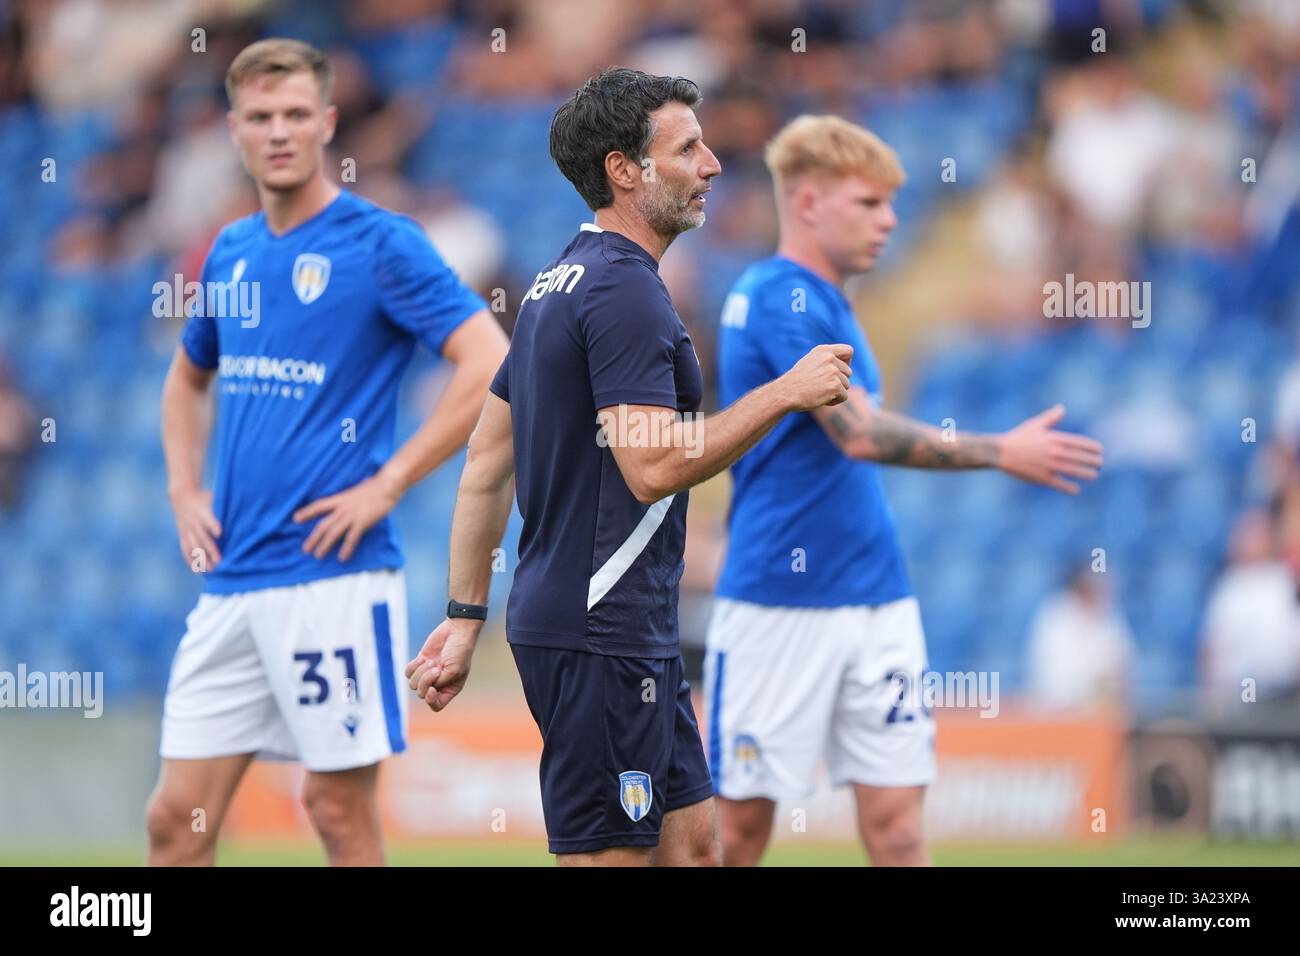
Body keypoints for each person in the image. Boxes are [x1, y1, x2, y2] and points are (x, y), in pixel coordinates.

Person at [404, 68, 853, 866]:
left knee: (692, 849)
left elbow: (484, 463)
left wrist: (466, 618)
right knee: (612, 857)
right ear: (624, 170)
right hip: (600, 626)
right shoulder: (624, 294)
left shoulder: (555, 284)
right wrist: (784, 394)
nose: (712, 164)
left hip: (609, 623)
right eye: (687, 148)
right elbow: (648, 468)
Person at [706, 115, 1105, 866]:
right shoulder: (775, 297)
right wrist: (1000, 450)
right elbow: (857, 433)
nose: (890, 220)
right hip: (776, 603)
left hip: (878, 600)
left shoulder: (831, 300)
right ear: (810, 202)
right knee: (737, 835)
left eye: (891, 205)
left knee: (898, 832)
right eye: (869, 203)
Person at [147, 38, 506, 866]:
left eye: (297, 115)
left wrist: (389, 482)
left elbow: (487, 359)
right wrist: (180, 489)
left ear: (328, 124)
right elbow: (184, 379)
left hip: (333, 579)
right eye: (261, 117)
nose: (279, 132)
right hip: (233, 578)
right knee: (175, 822)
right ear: (234, 129)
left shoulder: (381, 243)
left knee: (337, 814)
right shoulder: (231, 250)